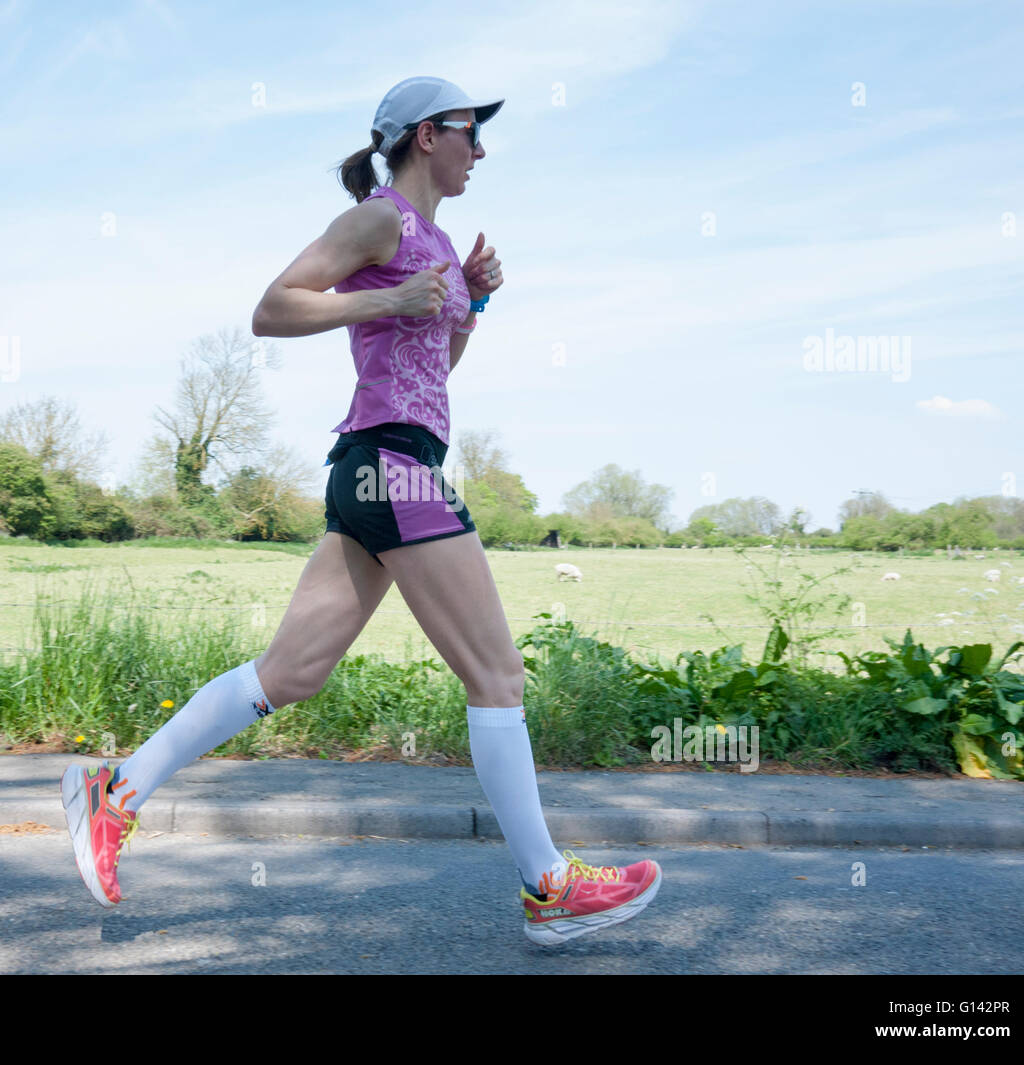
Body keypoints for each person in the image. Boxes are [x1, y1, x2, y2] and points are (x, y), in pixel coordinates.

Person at [61, 76, 661, 945]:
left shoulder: (441, 242)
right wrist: (391, 295)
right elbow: (272, 308)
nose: (480, 149)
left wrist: (472, 300)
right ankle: (547, 885)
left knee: (290, 674)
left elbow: (429, 373)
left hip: (388, 458)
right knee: (498, 675)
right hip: (389, 465)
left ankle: (114, 790)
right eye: (469, 131)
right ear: (425, 135)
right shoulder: (381, 220)